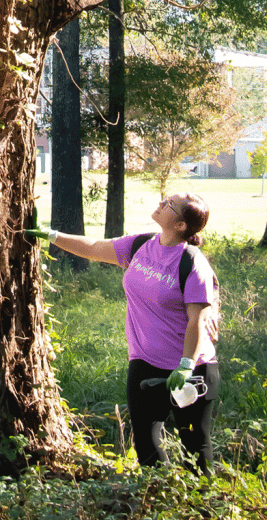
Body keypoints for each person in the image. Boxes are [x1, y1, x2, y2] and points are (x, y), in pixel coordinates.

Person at [25, 193, 220, 476]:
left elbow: (197, 320)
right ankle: (161, 492)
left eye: (170, 205)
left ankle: (203, 499)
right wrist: (51, 235)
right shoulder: (142, 245)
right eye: (166, 199)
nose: (162, 203)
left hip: (191, 370)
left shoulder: (192, 263)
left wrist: (186, 364)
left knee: (195, 445)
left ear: (180, 225)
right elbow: (95, 248)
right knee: (146, 441)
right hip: (145, 362)